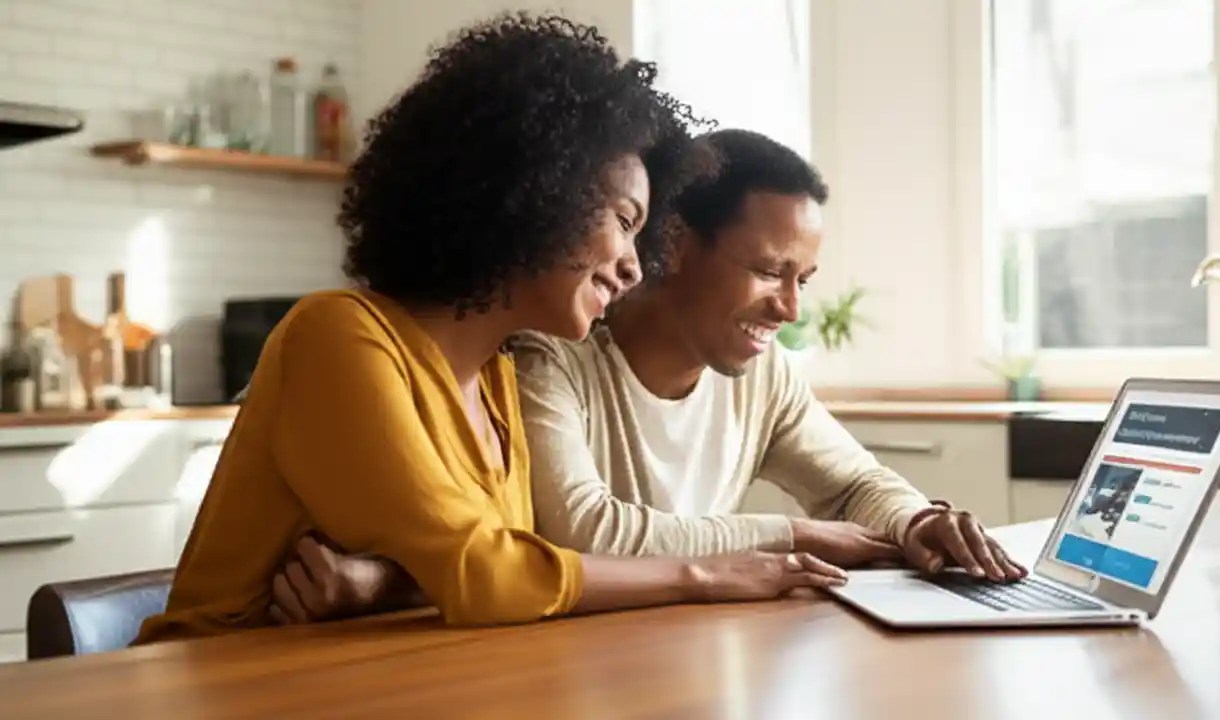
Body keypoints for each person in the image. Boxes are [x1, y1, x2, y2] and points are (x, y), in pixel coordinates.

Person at [133, 15, 856, 644]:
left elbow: (500, 561)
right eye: (626, 224)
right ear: (534, 193)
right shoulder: (340, 338)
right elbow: (486, 573)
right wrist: (706, 573)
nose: (636, 269)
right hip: (212, 683)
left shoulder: (502, 377)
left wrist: (382, 583)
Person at [264, 130, 1026, 626]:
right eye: (768, 271)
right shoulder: (542, 353)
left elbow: (855, 485)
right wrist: (784, 536)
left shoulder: (762, 378)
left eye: (804, 279)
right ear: (674, 242)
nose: (791, 307)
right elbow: (562, 540)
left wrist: (915, 521)